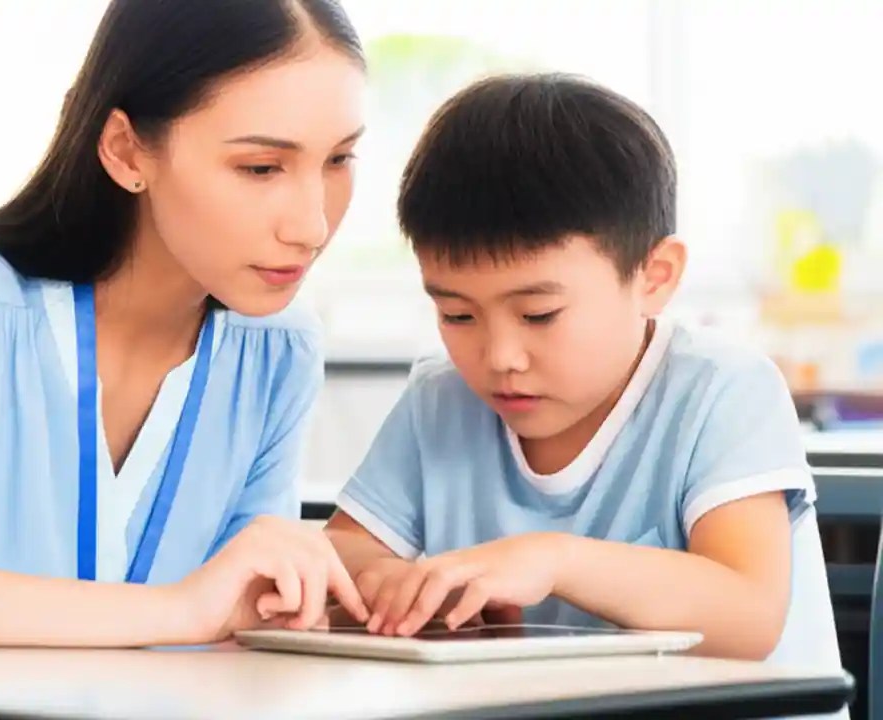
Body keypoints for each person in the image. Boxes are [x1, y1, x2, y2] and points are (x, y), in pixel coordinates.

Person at [0, 0, 370, 647]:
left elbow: (245, 625)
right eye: (260, 167)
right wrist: (180, 610)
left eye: (339, 161)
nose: (312, 225)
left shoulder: (277, 348)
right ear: (125, 151)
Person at [326, 74, 840, 670]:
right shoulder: (439, 400)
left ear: (655, 277)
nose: (499, 356)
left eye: (539, 315)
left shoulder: (723, 391)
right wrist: (394, 581)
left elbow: (747, 617)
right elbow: (341, 553)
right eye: (456, 313)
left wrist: (555, 560)